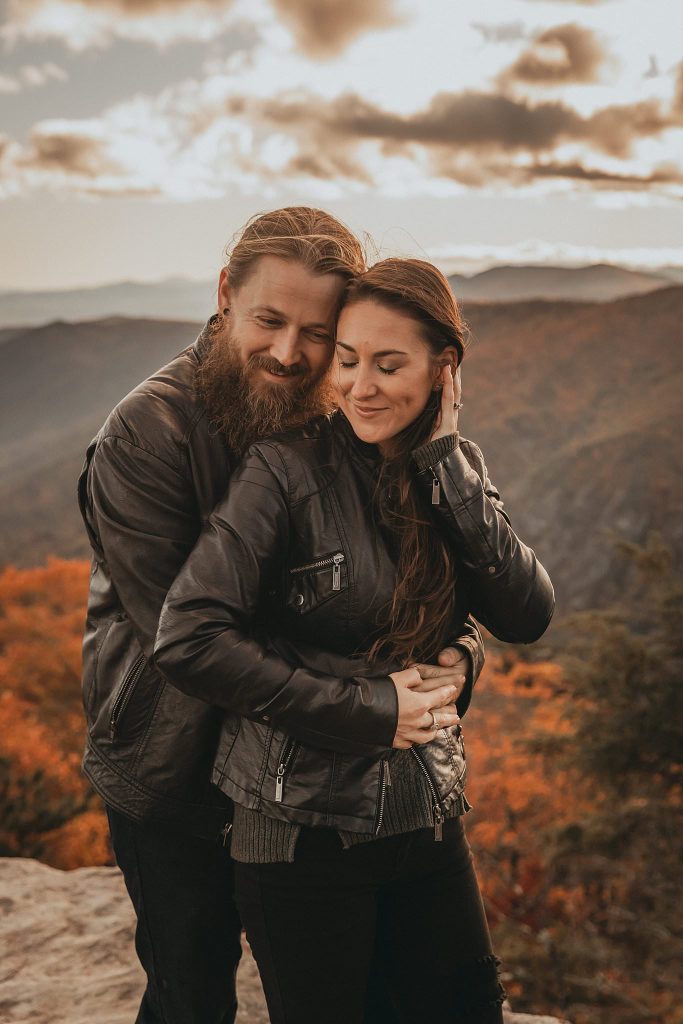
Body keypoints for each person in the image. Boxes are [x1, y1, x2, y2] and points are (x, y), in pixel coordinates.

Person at [78, 212, 486, 1024]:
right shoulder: (147, 431)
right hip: (177, 767)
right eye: (268, 320)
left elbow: (402, 574)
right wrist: (371, 702)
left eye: (317, 332)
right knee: (191, 993)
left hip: (302, 780)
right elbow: (189, 642)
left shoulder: (339, 412)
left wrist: (460, 652)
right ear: (226, 295)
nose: (289, 352)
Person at [154, 257, 556, 1024]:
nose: (358, 385)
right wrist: (368, 709)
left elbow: (525, 615)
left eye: (388, 363)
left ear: (445, 368)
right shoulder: (283, 470)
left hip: (425, 815)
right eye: (346, 359)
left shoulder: (454, 470)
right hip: (300, 832)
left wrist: (448, 471)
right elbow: (189, 637)